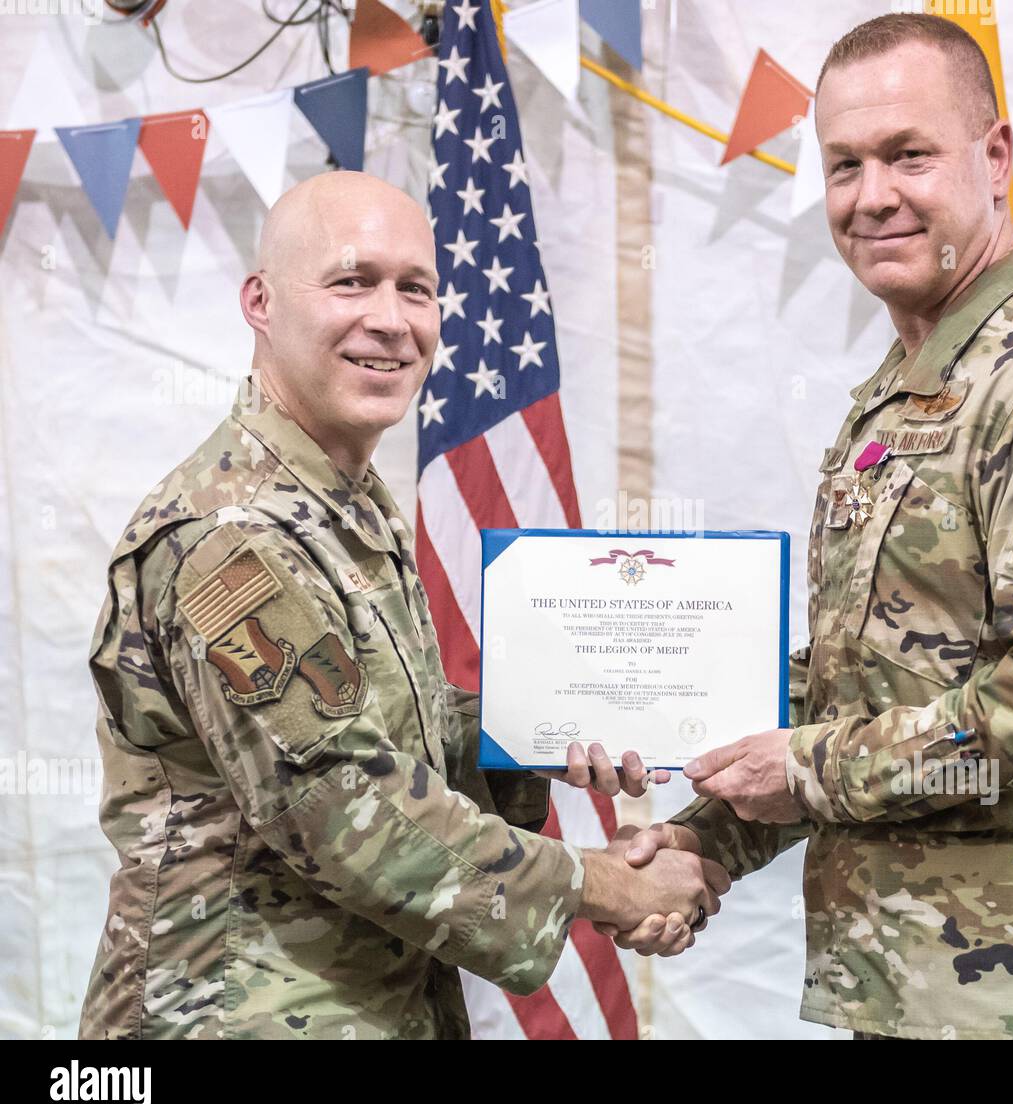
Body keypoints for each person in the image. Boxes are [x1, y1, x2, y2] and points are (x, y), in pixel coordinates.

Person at [607, 13, 1013, 1039]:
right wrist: (703, 834)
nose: (871, 195)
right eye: (842, 164)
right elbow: (866, 687)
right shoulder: (909, 392)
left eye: (906, 154)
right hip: (907, 983)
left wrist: (797, 770)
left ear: (996, 157)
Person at [81, 171, 727, 1040]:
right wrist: (605, 884)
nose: (391, 319)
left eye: (415, 289)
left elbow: (381, 740)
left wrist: (535, 734)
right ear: (261, 302)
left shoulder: (345, 503)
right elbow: (346, 808)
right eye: (353, 280)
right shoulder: (229, 538)